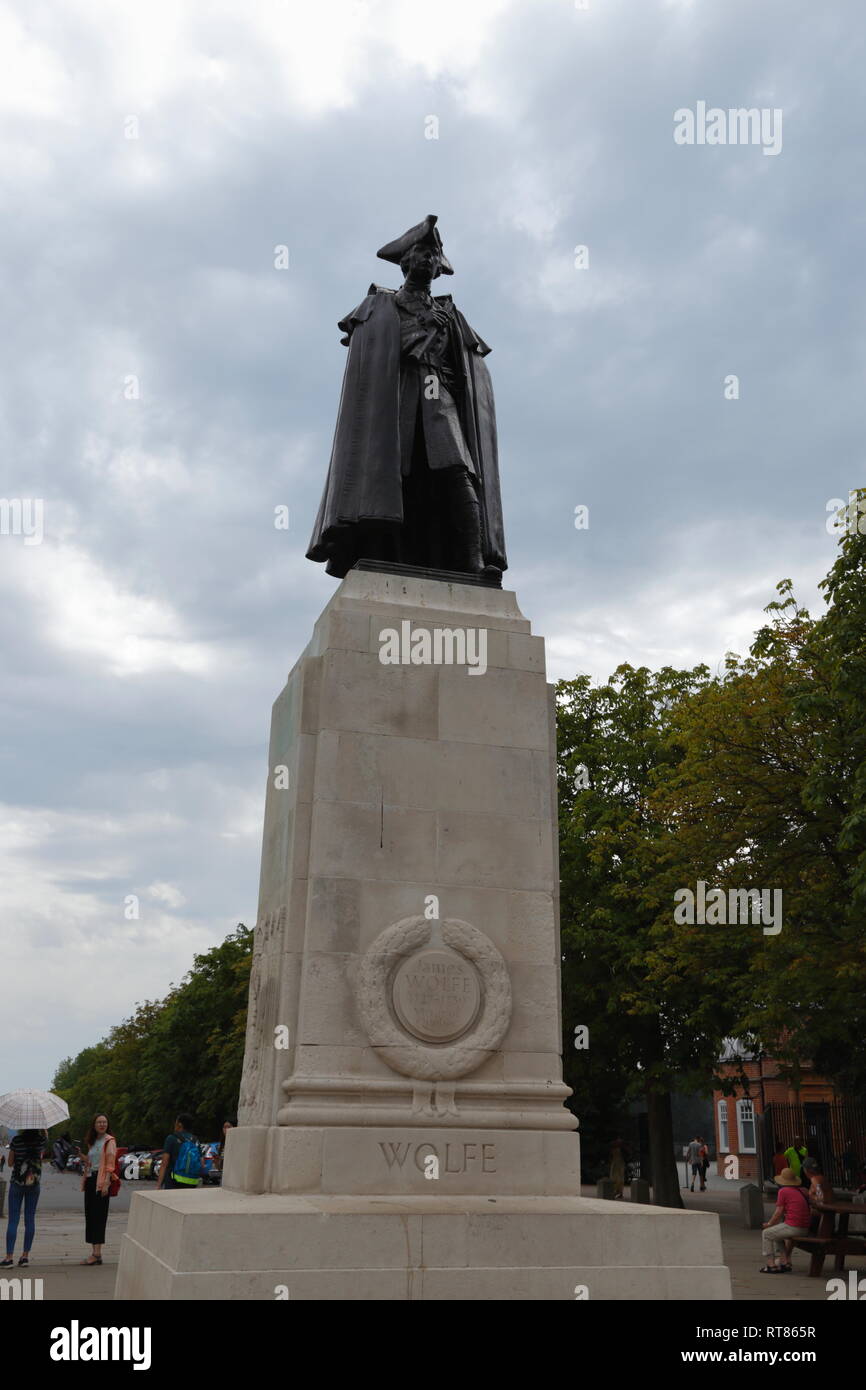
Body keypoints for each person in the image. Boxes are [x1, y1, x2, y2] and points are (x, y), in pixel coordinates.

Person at [2, 1128, 45, 1267]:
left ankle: (9, 1257)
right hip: (34, 1184)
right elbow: (42, 1156)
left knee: (13, 1220)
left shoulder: (17, 1140)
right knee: (30, 1219)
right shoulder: (41, 1141)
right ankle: (25, 1256)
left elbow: (9, 1163)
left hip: (17, 1183)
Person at [79, 1113, 117, 1266]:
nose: (102, 1124)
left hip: (101, 1181)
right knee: (91, 1215)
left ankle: (97, 1253)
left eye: (104, 1122)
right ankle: (94, 1252)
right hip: (90, 1180)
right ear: (94, 1125)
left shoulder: (109, 1141)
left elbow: (110, 1163)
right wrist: (81, 1155)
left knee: (99, 1216)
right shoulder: (93, 1142)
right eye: (99, 1122)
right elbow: (91, 1161)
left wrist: (106, 1182)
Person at [760, 1168, 811, 1272]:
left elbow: (779, 1211)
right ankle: (784, 1262)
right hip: (804, 1228)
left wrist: (769, 1224)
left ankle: (771, 1265)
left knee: (766, 1234)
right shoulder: (801, 1190)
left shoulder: (783, 1191)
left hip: (794, 1227)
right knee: (777, 1235)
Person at [156, 1114, 202, 1190]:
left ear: (180, 1124)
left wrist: (159, 1185)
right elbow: (201, 1162)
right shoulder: (195, 1140)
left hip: (174, 1181)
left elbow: (164, 1163)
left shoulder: (172, 1138)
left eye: (176, 1122)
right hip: (192, 1182)